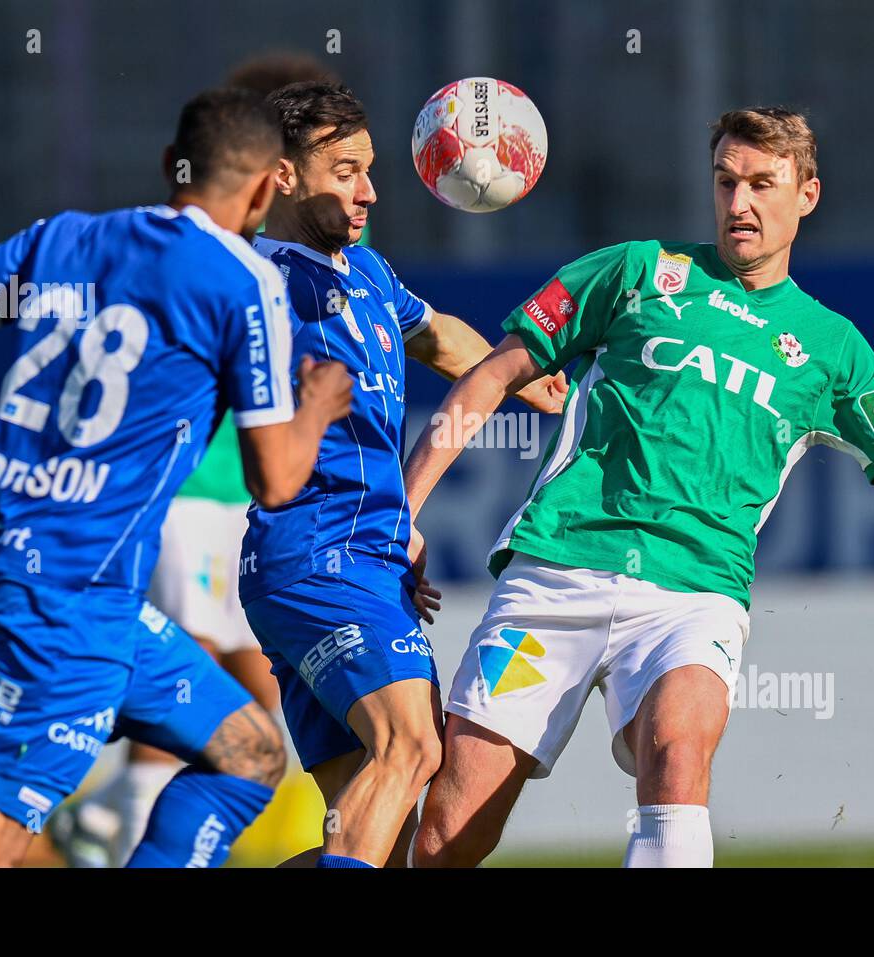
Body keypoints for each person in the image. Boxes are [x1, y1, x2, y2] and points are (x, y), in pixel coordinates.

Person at [401, 107, 874, 868]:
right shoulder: (636, 270)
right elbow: (492, 375)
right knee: (448, 830)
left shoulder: (831, 349)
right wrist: (406, 510)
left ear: (808, 195)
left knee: (678, 752)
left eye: (763, 184)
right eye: (727, 182)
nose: (739, 203)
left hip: (694, 596)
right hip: (555, 573)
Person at [0, 88, 352, 867]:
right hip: (71, 592)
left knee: (248, 752)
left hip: (60, 579)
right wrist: (319, 406)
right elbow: (275, 480)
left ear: (171, 165)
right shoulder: (242, 282)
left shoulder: (63, 240)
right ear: (269, 188)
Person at [241, 81, 566, 868]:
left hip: (352, 562)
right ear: (283, 175)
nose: (370, 190)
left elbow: (437, 336)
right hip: (319, 557)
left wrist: (530, 375)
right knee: (415, 744)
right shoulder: (255, 281)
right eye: (346, 170)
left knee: (375, 843)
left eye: (372, 168)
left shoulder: (367, 273)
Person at [53, 50, 344, 870]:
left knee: (252, 703)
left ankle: (110, 819)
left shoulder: (251, 251)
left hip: (236, 508)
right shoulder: (222, 257)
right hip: (192, 499)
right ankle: (115, 828)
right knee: (197, 689)